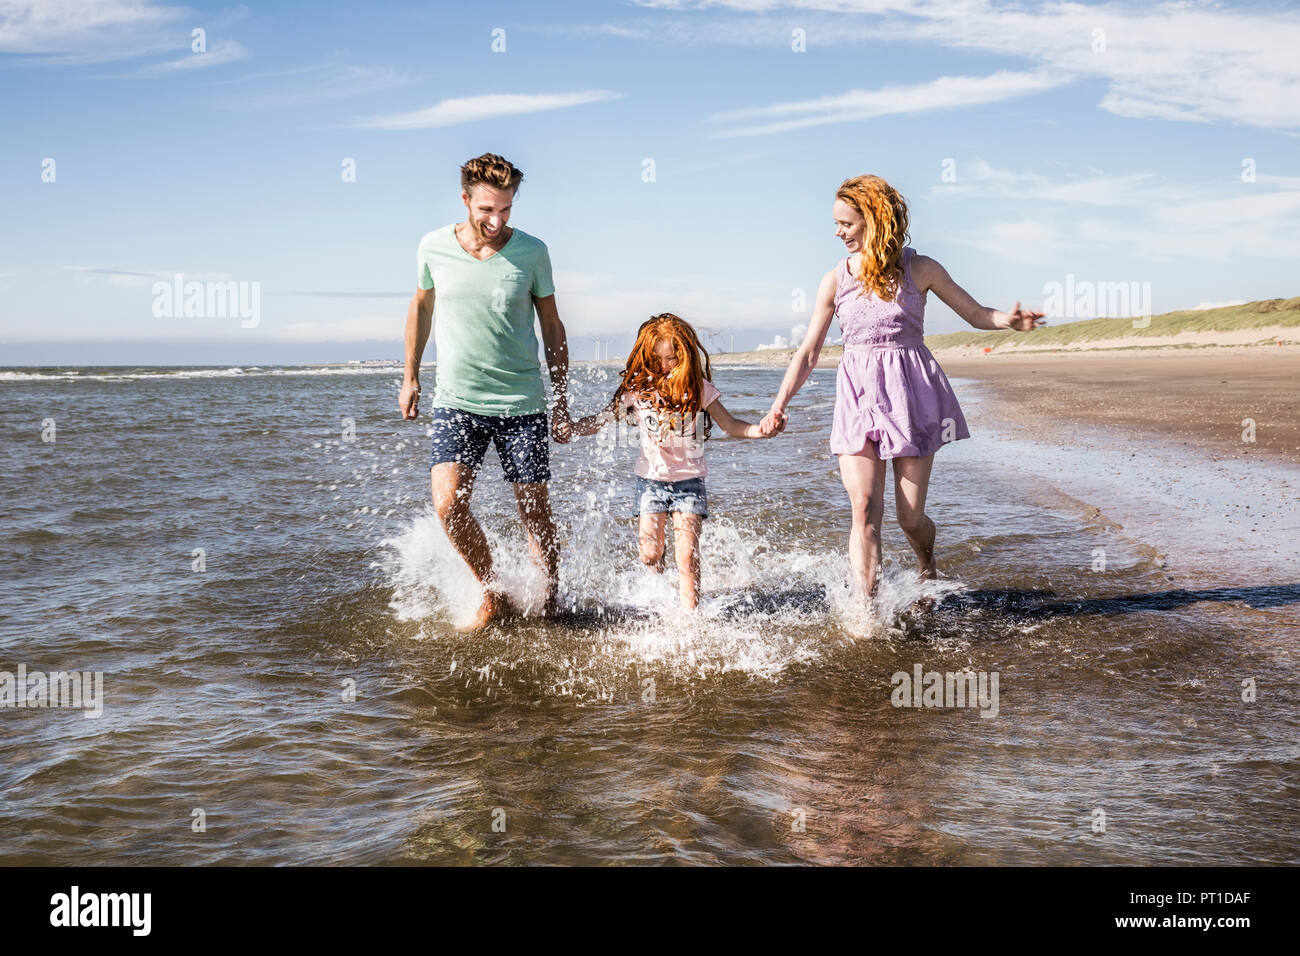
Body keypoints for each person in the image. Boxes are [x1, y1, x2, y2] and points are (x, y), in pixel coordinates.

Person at [761, 174, 1045, 608]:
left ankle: (926, 563)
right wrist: (778, 405)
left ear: (874, 220)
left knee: (909, 517)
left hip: (911, 392)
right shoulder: (835, 281)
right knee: (864, 509)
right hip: (857, 395)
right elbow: (809, 351)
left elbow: (973, 312)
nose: (838, 232)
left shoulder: (921, 268)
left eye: (847, 224)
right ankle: (867, 610)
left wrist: (1009, 320)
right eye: (837, 224)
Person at [399, 153, 573, 630]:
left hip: (522, 402)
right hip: (456, 399)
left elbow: (553, 328)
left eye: (506, 210)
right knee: (447, 503)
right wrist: (410, 375)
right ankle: (492, 591)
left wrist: (560, 401)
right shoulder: (433, 247)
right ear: (465, 200)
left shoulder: (533, 252)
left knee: (534, 509)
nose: (496, 221)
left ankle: (550, 602)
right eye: (486, 210)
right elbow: (421, 309)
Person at [563, 313, 783, 610]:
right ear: (647, 358)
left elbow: (730, 424)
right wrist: (573, 428)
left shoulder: (698, 388)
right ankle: (662, 583)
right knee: (650, 554)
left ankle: (690, 622)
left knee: (687, 557)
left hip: (689, 482)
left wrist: (761, 430)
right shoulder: (637, 390)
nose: (665, 367)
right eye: (658, 361)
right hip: (650, 482)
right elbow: (601, 420)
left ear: (686, 356)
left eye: (672, 359)